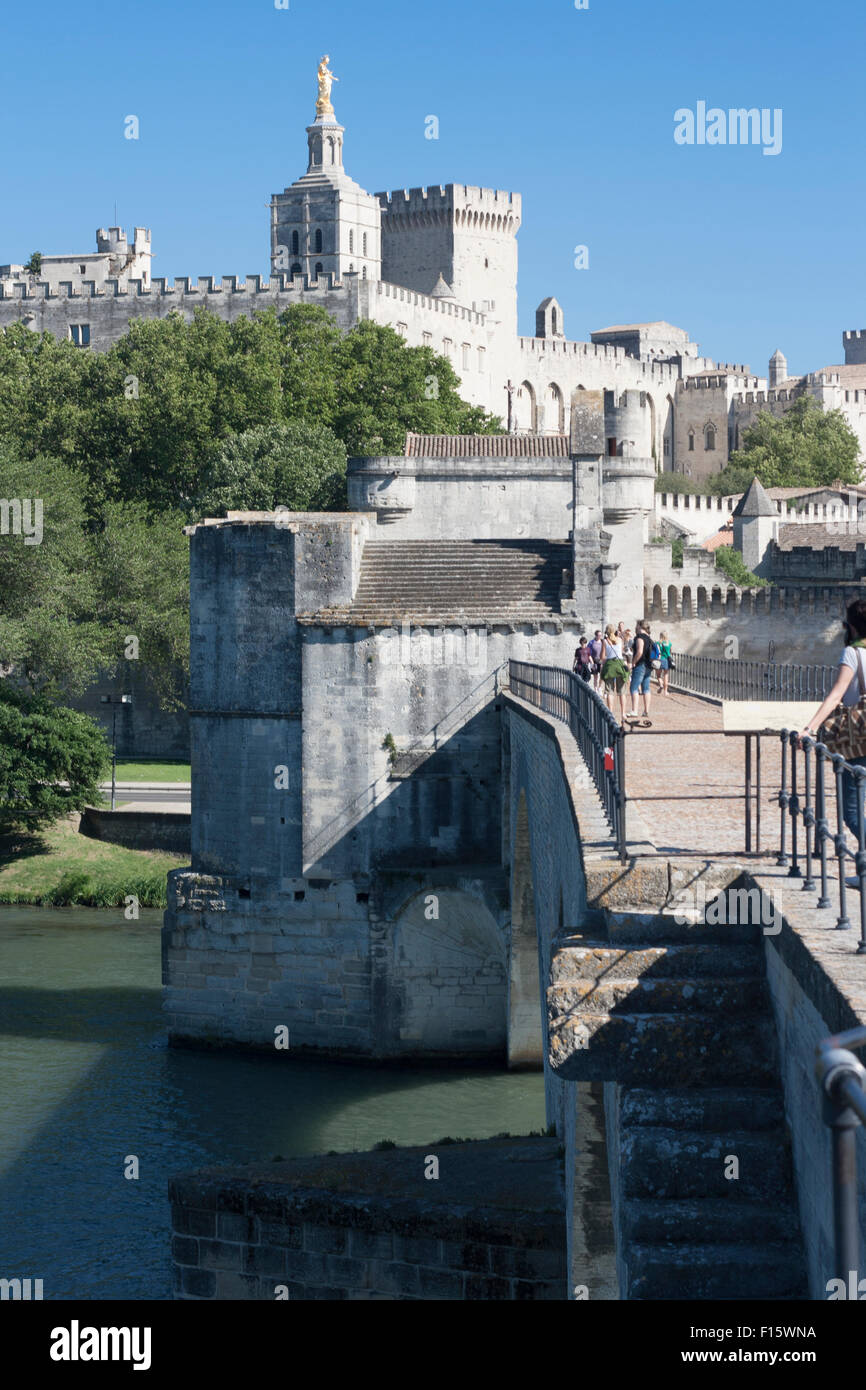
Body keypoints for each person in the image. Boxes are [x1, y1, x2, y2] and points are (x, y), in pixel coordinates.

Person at [800, 599, 866, 885]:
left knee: (851, 809)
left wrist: (809, 728)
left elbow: (836, 695)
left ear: (850, 626)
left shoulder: (853, 653)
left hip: (859, 740)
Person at [600, 624, 628, 723]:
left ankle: (611, 713)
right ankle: (623, 713)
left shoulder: (604, 641)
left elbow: (603, 657)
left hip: (610, 665)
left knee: (609, 690)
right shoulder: (620, 640)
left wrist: (602, 664)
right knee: (622, 692)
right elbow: (621, 653)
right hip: (619, 666)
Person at [627, 621, 653, 723]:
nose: (635, 627)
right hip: (649, 665)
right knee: (646, 688)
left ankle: (634, 710)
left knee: (634, 687)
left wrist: (633, 662)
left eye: (636, 625)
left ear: (639, 626)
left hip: (640, 664)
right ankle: (646, 711)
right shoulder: (649, 638)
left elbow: (639, 652)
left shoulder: (639, 637)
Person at [658, 631, 672, 695]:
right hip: (667, 660)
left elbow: (657, 651)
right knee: (666, 675)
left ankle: (661, 685)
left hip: (660, 659)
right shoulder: (669, 643)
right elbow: (670, 652)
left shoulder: (658, 643)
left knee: (658, 675)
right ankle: (665, 691)